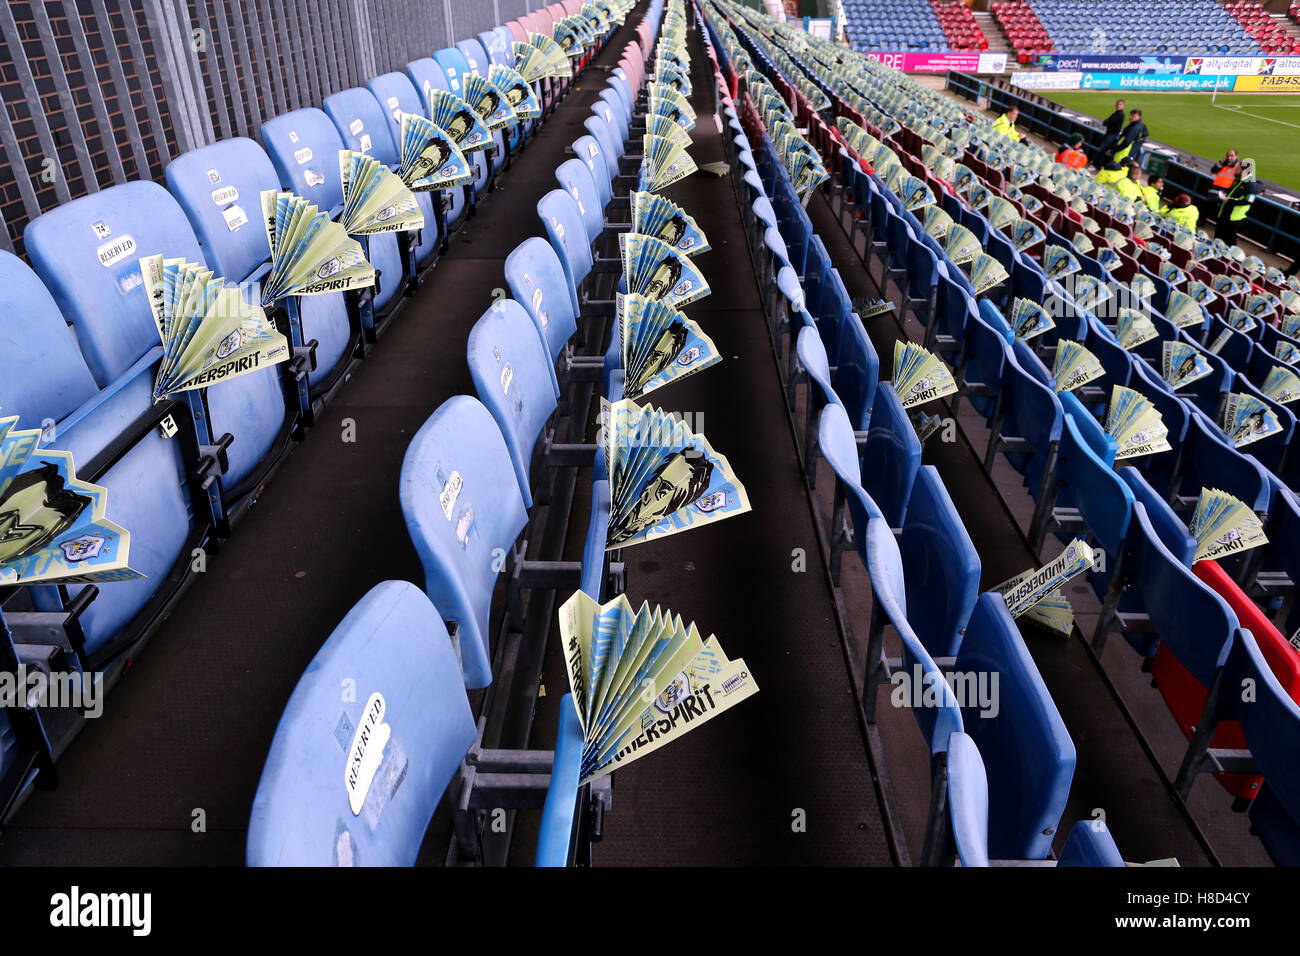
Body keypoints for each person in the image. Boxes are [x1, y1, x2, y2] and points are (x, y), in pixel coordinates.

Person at [1216, 157, 1258, 247]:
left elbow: (1249, 201)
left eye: (1238, 168)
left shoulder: (1251, 184)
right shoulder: (1239, 180)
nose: (1235, 169)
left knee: (1229, 243)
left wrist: (1229, 200)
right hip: (1225, 214)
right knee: (1218, 239)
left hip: (1234, 218)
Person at [1092, 98, 1126, 163]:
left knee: (1102, 150)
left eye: (1120, 104)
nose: (1118, 105)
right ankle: (1098, 164)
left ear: (1123, 106)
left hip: (1112, 135)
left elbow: (1109, 121)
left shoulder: (1120, 114)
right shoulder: (1116, 113)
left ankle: (1096, 165)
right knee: (1104, 150)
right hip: (1110, 134)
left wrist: (1106, 122)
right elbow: (1108, 121)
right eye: (1118, 104)